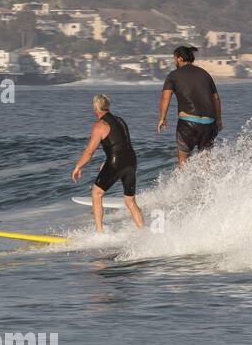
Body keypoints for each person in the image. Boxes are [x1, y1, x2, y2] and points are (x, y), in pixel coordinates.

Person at [72, 93, 145, 233]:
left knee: (96, 193)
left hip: (116, 161)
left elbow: (89, 152)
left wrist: (78, 167)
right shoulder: (120, 120)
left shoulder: (99, 125)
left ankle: (99, 233)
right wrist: (107, 162)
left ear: (95, 108)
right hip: (131, 160)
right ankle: (143, 232)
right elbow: (121, 144)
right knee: (130, 201)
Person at [157, 45, 221, 167]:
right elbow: (216, 98)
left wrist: (162, 118)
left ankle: (184, 185)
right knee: (206, 163)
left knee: (184, 163)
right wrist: (218, 120)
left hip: (188, 124)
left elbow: (166, 97)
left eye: (174, 58)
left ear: (180, 59)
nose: (174, 61)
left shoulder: (173, 75)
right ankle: (209, 185)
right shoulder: (205, 74)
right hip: (209, 124)